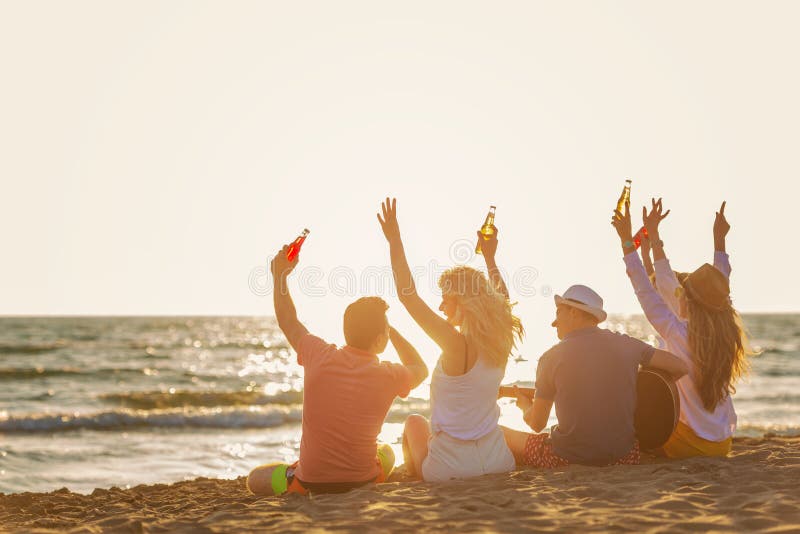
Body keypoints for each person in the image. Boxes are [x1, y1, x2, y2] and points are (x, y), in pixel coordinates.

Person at [246, 244, 428, 496]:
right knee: (387, 451)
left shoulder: (317, 353)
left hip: (310, 484)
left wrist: (279, 276)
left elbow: (287, 320)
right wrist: (391, 332)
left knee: (255, 479)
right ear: (378, 339)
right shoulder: (389, 375)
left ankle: (291, 472)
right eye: (384, 331)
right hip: (363, 482)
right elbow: (420, 368)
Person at [377, 198, 523, 481]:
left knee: (414, 423)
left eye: (446, 300)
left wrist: (394, 240)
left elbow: (408, 297)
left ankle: (416, 477)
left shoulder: (457, 346)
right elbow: (502, 303)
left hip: (451, 470)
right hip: (498, 461)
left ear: (465, 302)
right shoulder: (500, 339)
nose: (441, 308)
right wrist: (490, 258)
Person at [612, 198, 757, 458]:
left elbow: (645, 289)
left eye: (683, 293)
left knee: (646, 377)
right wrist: (718, 241)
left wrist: (626, 242)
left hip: (688, 445)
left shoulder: (677, 333)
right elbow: (717, 282)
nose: (677, 294)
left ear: (688, 301)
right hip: (722, 444)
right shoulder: (725, 328)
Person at [501, 285, 688, 468]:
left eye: (558, 312)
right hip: (624, 457)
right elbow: (680, 367)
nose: (554, 322)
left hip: (567, 458)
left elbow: (537, 424)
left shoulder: (550, 358)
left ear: (574, 312)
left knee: (499, 433)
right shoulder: (628, 345)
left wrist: (525, 406)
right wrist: (643, 393)